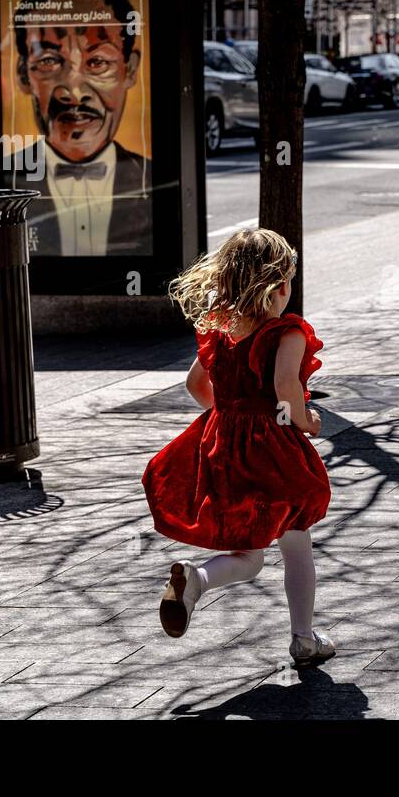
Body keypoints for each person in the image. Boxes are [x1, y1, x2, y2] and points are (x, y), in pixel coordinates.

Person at [142, 228, 335, 667]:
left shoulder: (221, 326)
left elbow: (196, 384)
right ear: (280, 285)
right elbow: (286, 388)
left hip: (223, 447)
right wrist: (308, 421)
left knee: (250, 554)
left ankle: (196, 579)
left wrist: (227, 415)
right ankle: (304, 639)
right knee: (295, 540)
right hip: (272, 448)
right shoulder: (288, 332)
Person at [8, 0, 151, 257]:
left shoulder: (153, 180)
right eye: (49, 61)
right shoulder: (5, 179)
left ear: (130, 70)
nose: (74, 92)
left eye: (97, 62)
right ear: (24, 76)